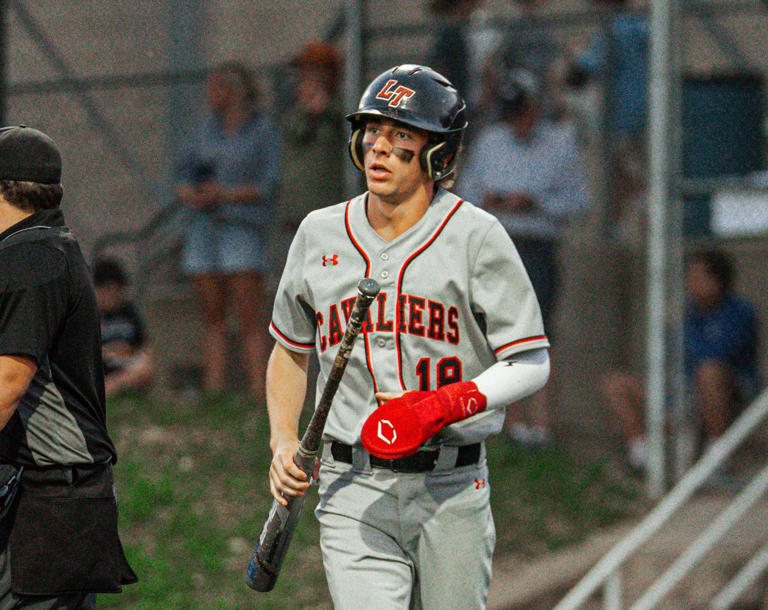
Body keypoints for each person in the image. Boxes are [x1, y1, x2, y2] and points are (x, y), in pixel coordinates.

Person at [266, 65, 550, 608]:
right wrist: (282, 438)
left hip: (452, 486)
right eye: (373, 130)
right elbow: (290, 351)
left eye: (402, 135)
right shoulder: (319, 232)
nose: (379, 146)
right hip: (353, 486)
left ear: (439, 155)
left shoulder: (476, 236)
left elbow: (531, 362)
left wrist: (447, 403)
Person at [0, 125, 136, 606]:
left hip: (54, 498)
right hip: (41, 490)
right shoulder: (40, 247)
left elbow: (8, 385)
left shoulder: (33, 257)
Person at [458, 67, 591, 448]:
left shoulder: (560, 143)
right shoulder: (489, 143)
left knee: (537, 336)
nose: (517, 120)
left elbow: (580, 202)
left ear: (535, 106)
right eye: (510, 112)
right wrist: (491, 202)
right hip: (496, 243)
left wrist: (535, 202)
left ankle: (542, 426)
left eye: (522, 110)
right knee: (497, 337)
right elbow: (466, 194)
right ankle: (512, 424)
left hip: (536, 246)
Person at [175, 60, 280, 397]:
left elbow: (268, 184)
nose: (211, 94)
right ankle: (213, 388)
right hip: (204, 227)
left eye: (218, 87)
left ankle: (259, 389)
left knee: (249, 315)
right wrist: (190, 192)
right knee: (213, 315)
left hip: (241, 226)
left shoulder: (262, 130)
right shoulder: (206, 129)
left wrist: (227, 194)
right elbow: (181, 171)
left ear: (236, 91)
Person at [602, 248, 760, 471]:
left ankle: (717, 455)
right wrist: (666, 404)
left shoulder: (740, 312)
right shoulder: (687, 311)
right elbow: (666, 363)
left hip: (726, 392)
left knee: (709, 372)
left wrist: (681, 326)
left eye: (698, 277)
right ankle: (643, 456)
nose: (690, 283)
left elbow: (715, 355)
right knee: (616, 384)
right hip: (680, 391)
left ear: (717, 281)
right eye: (689, 276)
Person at [563, 0, 649, 236]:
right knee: (640, 169)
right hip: (650, 111)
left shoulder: (613, 28)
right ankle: (641, 216)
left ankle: (618, 227)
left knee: (619, 170)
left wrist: (573, 59)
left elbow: (584, 70)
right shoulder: (643, 25)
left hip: (623, 114)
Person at [276, 41, 346, 262]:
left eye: (312, 70)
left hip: (328, 212)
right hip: (296, 212)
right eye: (303, 70)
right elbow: (295, 132)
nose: (304, 76)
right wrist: (309, 110)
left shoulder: (343, 105)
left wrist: (326, 109)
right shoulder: (295, 109)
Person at [92, 257, 153, 399]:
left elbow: (143, 346)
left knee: (144, 367)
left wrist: (126, 351)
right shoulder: (88, 315)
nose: (115, 295)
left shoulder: (128, 313)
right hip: (99, 367)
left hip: (123, 366)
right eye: (109, 290)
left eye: (118, 289)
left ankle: (106, 391)